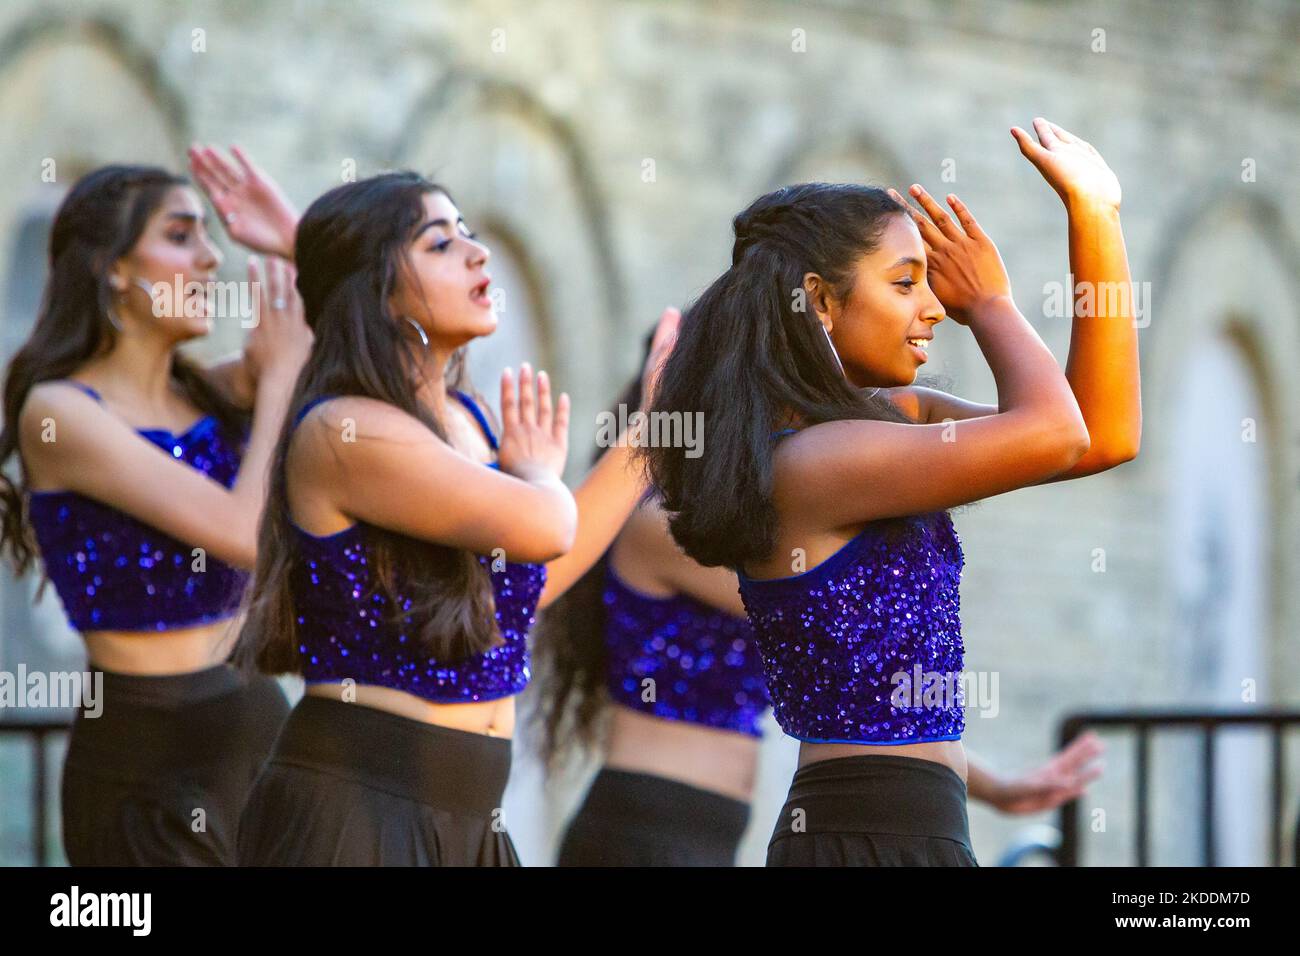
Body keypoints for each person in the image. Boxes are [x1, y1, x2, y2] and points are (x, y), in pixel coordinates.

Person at [639, 118, 1139, 866]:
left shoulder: (886, 425)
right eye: (905, 283)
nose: (933, 306)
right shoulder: (814, 462)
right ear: (820, 301)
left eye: (930, 285)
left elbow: (1101, 435)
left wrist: (1094, 219)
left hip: (918, 829)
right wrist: (993, 305)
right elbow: (1054, 433)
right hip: (864, 838)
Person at [225, 168, 678, 865]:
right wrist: (538, 477)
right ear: (377, 289)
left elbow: (534, 582)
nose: (479, 253)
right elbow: (547, 527)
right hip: (362, 811)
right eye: (441, 244)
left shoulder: (467, 419)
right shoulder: (342, 431)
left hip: (471, 820)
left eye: (469, 234)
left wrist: (651, 429)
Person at [0, 163, 311, 864]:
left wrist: (295, 240)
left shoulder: (214, 391)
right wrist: (281, 379)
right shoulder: (59, 413)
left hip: (257, 735)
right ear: (112, 269)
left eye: (209, 236)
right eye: (180, 235)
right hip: (143, 761)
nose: (209, 257)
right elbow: (241, 535)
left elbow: (366, 337)